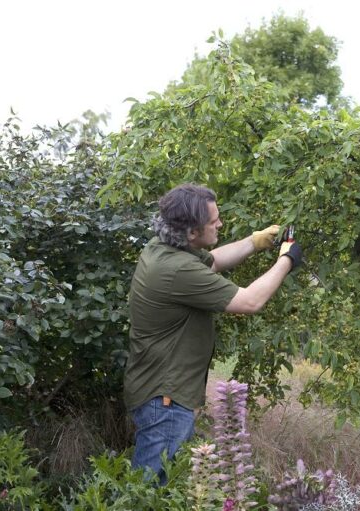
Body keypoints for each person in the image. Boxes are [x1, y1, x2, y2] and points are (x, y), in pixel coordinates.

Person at [123, 183, 302, 483]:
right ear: (192, 232)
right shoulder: (177, 269)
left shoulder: (162, 248)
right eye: (213, 221)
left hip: (158, 392)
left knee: (158, 486)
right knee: (149, 492)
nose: (220, 223)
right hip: (164, 399)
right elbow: (250, 301)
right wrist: (287, 259)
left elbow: (213, 261)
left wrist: (255, 242)